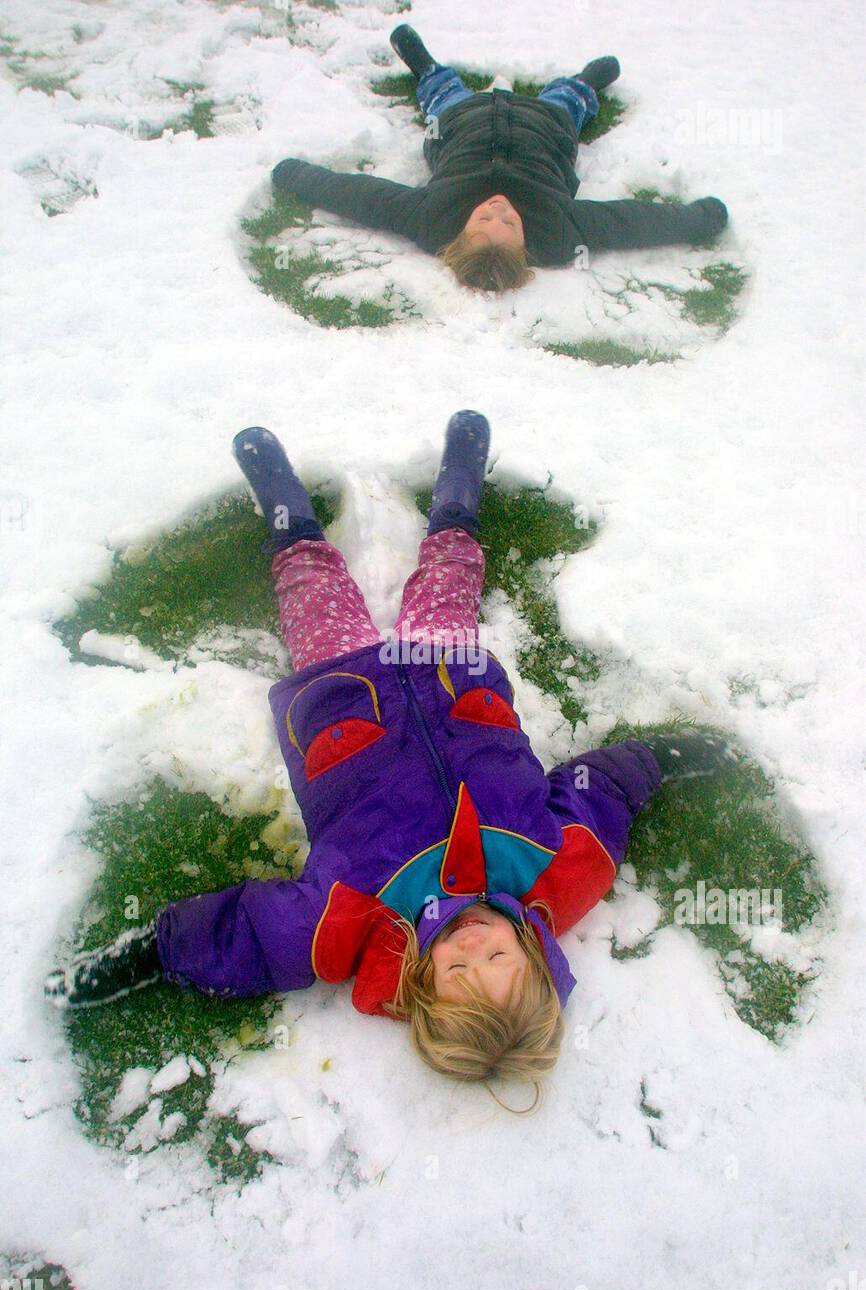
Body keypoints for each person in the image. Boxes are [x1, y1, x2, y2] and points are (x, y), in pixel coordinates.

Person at [45, 412, 738, 1101]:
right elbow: (603, 793)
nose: (471, 944)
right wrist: (670, 757)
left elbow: (254, 936)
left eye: (457, 970)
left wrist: (147, 954)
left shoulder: (354, 923)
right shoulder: (556, 869)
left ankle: (285, 510)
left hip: (345, 708)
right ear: (534, 952)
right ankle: (459, 490)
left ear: (423, 986)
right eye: (497, 955)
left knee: (312, 588)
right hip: (449, 682)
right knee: (451, 574)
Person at [269, 24, 729, 292]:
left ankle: (425, 67)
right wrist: (698, 219)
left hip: (460, 123)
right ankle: (587, 82)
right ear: (527, 245)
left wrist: (297, 177)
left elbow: (363, 197)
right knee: (567, 101)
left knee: (442, 95)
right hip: (544, 127)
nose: (499, 210)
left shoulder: (429, 218)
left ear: (459, 233)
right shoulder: (562, 231)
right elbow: (628, 223)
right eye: (509, 225)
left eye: (484, 221)